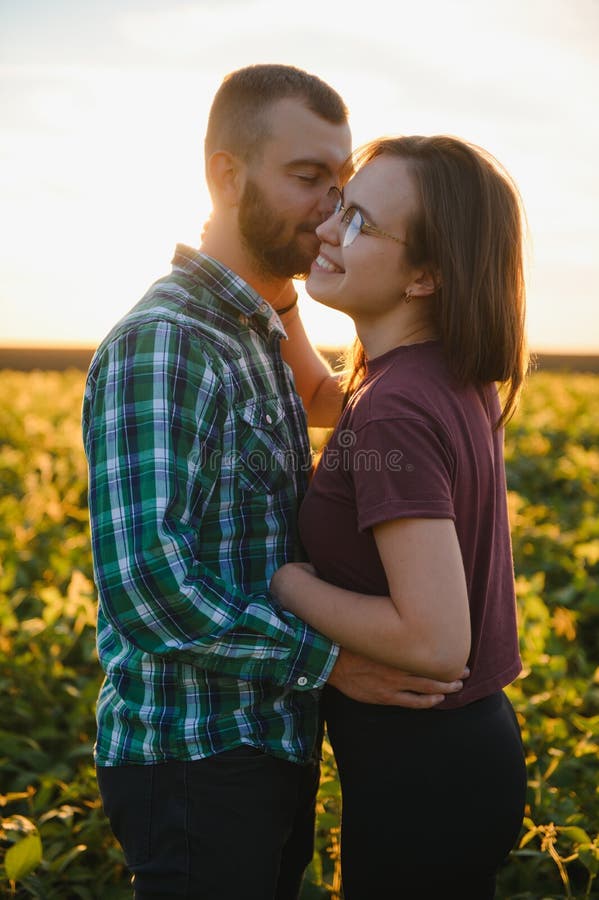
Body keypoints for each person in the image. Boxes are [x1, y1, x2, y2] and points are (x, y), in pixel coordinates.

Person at [82, 67, 464, 900]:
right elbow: (148, 592)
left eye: (340, 184)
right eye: (306, 179)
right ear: (225, 174)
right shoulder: (167, 341)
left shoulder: (257, 328)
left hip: (265, 741)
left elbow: (343, 405)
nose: (329, 209)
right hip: (193, 756)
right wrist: (331, 662)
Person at [271, 135, 529, 899]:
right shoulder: (429, 373)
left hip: (425, 773)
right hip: (455, 758)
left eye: (358, 223)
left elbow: (434, 640)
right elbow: (330, 397)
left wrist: (287, 583)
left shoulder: (394, 409)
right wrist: (282, 299)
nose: (325, 229)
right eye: (337, 209)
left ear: (425, 275)